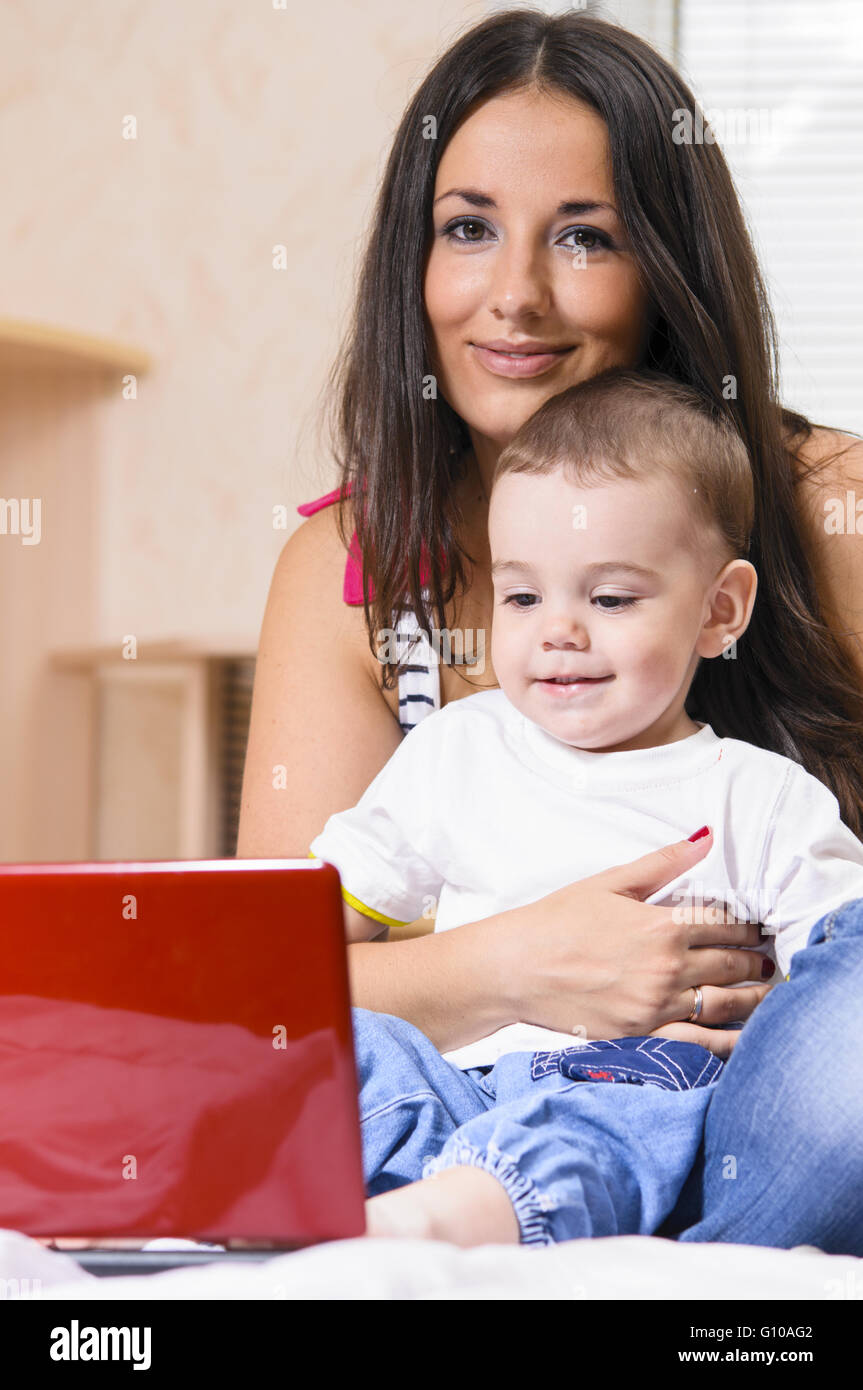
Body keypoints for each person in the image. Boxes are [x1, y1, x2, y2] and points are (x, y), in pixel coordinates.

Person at [238, 11, 863, 1246]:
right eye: (466, 228)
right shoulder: (353, 566)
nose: (512, 295)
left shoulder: (825, 506)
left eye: (583, 238)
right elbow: (263, 989)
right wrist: (527, 964)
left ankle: (651, 1259)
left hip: (754, 1105)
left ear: (667, 270)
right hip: (463, 1099)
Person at [305, 369, 863, 1247]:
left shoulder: (755, 793)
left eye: (608, 598)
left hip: (629, 1086)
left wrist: (758, 1015)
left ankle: (463, 1217)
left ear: (719, 612)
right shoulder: (455, 748)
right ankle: (337, 1192)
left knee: (625, 1107)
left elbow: (837, 984)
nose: (558, 631)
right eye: (523, 596)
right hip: (455, 1081)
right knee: (352, 1050)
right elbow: (299, 928)